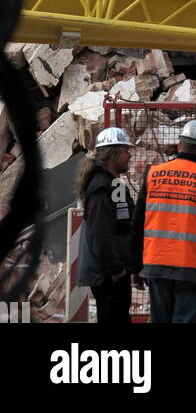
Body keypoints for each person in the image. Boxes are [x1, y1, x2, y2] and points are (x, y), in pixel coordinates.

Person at [131, 118, 196, 324]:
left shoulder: (153, 175)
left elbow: (137, 224)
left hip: (157, 262)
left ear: (180, 144)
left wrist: (135, 267)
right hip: (192, 267)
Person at [76, 126, 138, 324]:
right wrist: (116, 270)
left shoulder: (115, 184)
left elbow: (124, 222)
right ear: (115, 154)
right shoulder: (102, 188)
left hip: (116, 271)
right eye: (126, 150)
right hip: (109, 275)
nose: (130, 155)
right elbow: (99, 236)